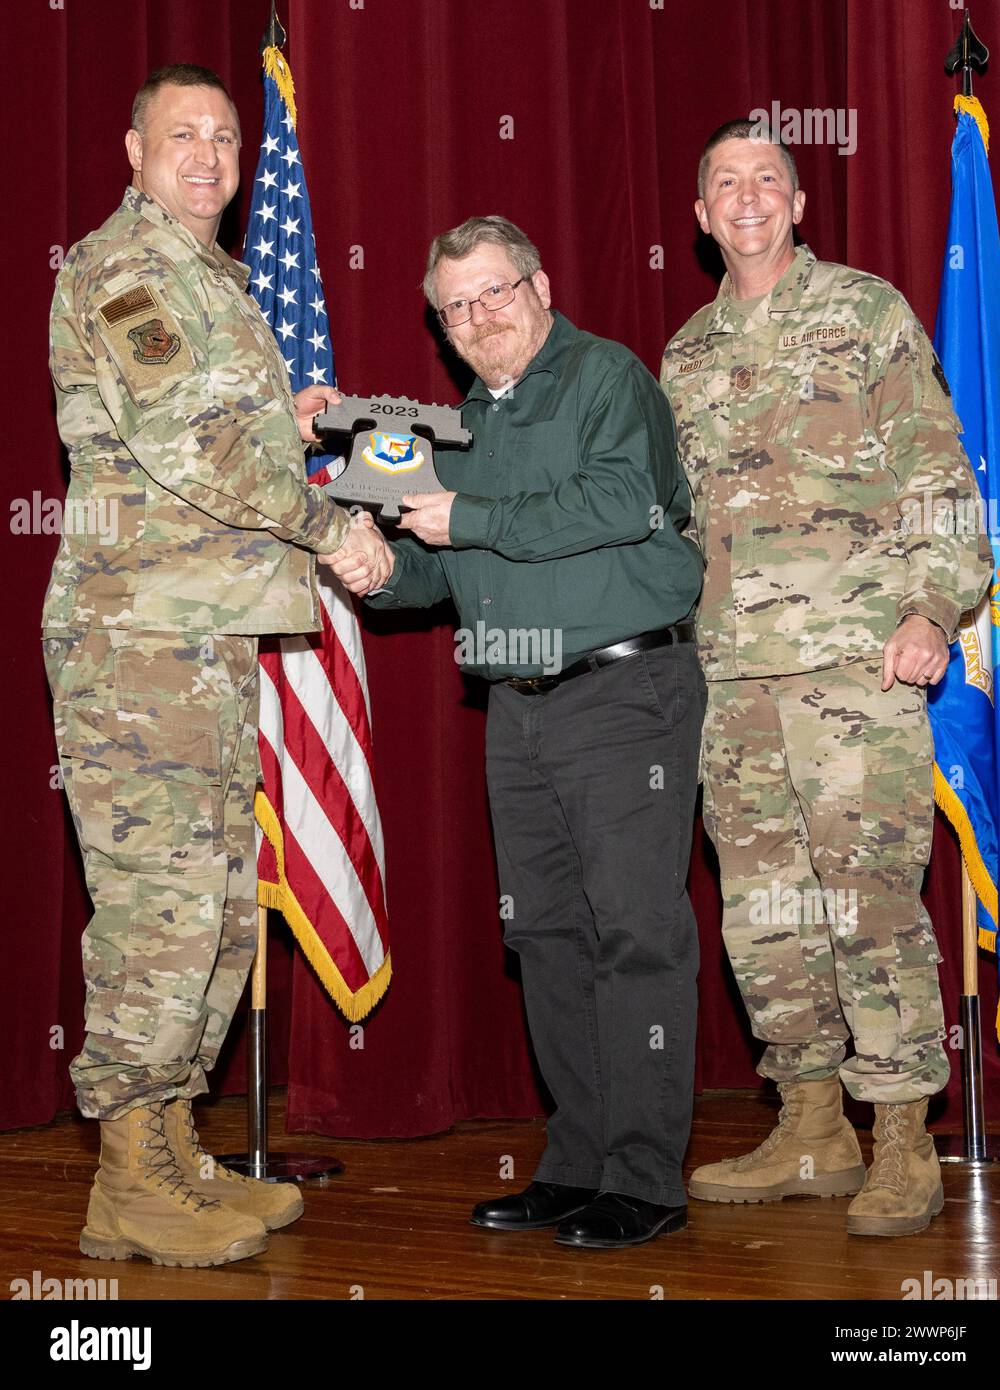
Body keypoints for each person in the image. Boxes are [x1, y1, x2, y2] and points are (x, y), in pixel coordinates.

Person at [44, 63, 387, 1268]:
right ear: (131, 151)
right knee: (156, 915)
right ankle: (126, 1180)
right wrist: (331, 524)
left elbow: (216, 427)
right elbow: (188, 443)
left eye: (225, 138)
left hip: (205, 636)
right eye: (180, 135)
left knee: (213, 914)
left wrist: (286, 418)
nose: (208, 155)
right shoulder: (122, 269)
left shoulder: (221, 285)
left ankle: (177, 1146)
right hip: (138, 639)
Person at [331, 215, 704, 1249]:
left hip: (622, 689)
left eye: (494, 291)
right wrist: (375, 568)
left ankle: (644, 1176)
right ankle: (577, 1160)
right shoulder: (457, 426)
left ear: (539, 284)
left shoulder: (604, 376)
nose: (478, 317)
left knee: (634, 932)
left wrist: (467, 516)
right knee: (542, 936)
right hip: (515, 704)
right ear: (441, 326)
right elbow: (438, 576)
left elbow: (619, 498)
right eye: (456, 307)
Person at [660, 119, 993, 1236]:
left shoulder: (863, 311)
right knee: (761, 913)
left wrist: (928, 606)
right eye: (723, 185)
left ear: (797, 204)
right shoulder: (685, 355)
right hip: (732, 680)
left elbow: (937, 468)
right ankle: (808, 1120)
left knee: (868, 901)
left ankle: (900, 1134)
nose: (746, 198)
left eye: (767, 179)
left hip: (856, 664)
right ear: (700, 217)